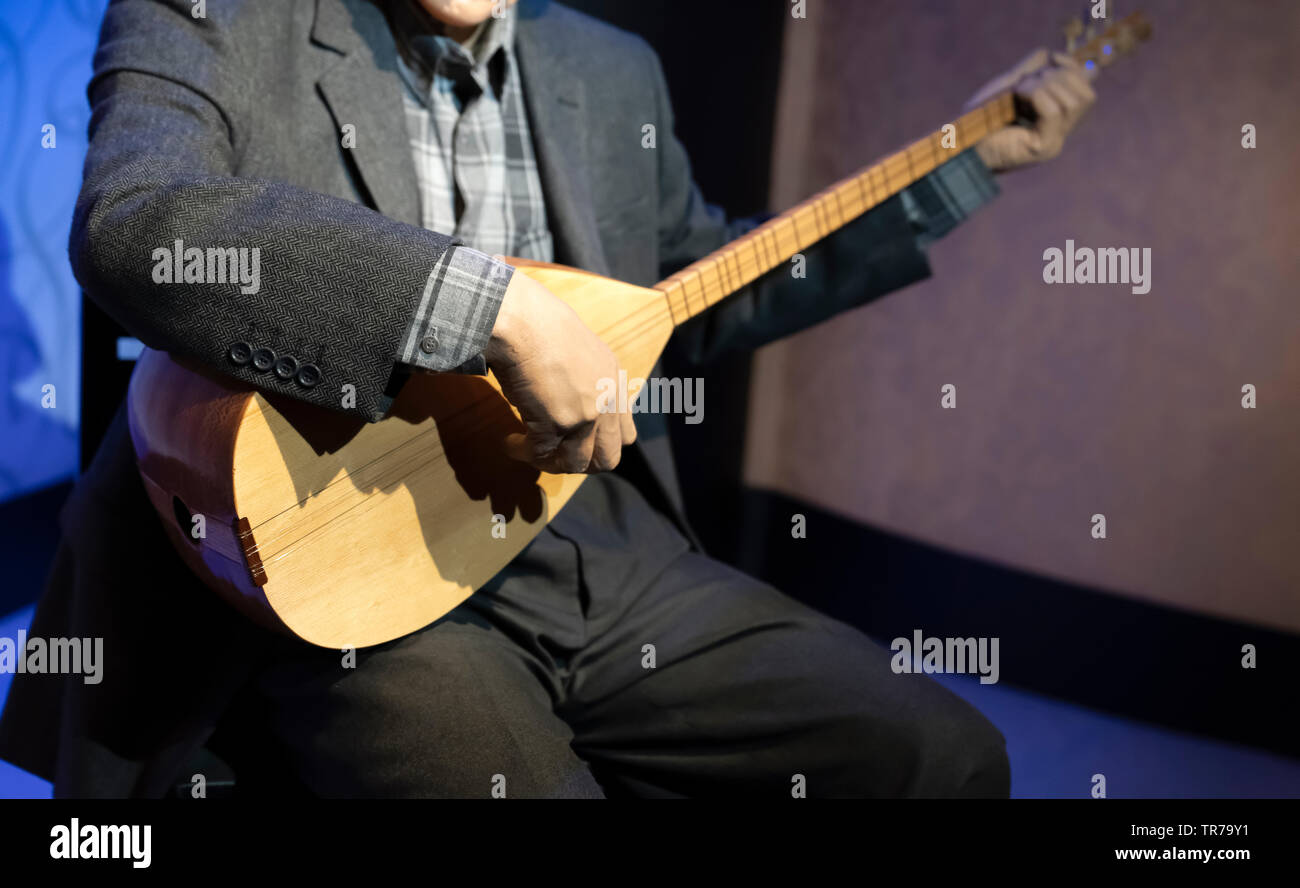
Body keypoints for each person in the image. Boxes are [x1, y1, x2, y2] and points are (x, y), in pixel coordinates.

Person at [0, 0, 1095, 797]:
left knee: (940, 758)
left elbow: (688, 299)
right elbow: (139, 223)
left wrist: (966, 164)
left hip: (595, 540)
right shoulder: (222, 15)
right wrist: (489, 309)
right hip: (355, 565)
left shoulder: (608, 68)